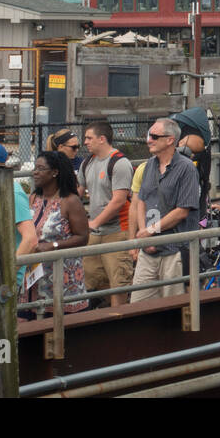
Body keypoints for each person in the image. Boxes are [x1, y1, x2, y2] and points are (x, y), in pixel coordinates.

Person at [130, 119, 200, 303]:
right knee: (137, 303)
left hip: (174, 249)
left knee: (173, 307)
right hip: (149, 250)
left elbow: (182, 211)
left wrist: (149, 232)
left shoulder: (186, 169)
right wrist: (144, 234)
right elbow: (141, 201)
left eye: (154, 136)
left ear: (170, 140)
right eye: (148, 135)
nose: (148, 140)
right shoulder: (149, 165)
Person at [25, 150, 89, 316]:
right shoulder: (34, 198)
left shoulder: (70, 201)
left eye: (40, 168)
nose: (35, 172)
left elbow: (83, 237)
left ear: (55, 172)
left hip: (62, 278)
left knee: (56, 327)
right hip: (35, 277)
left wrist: (53, 245)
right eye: (35, 168)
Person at [79, 120, 134, 307]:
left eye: (89, 138)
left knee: (119, 282)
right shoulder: (87, 162)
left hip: (118, 231)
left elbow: (119, 200)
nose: (85, 142)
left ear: (102, 139)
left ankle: (120, 321)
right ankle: (105, 316)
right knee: (93, 278)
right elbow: (77, 192)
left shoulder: (119, 163)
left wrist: (94, 223)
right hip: (96, 232)